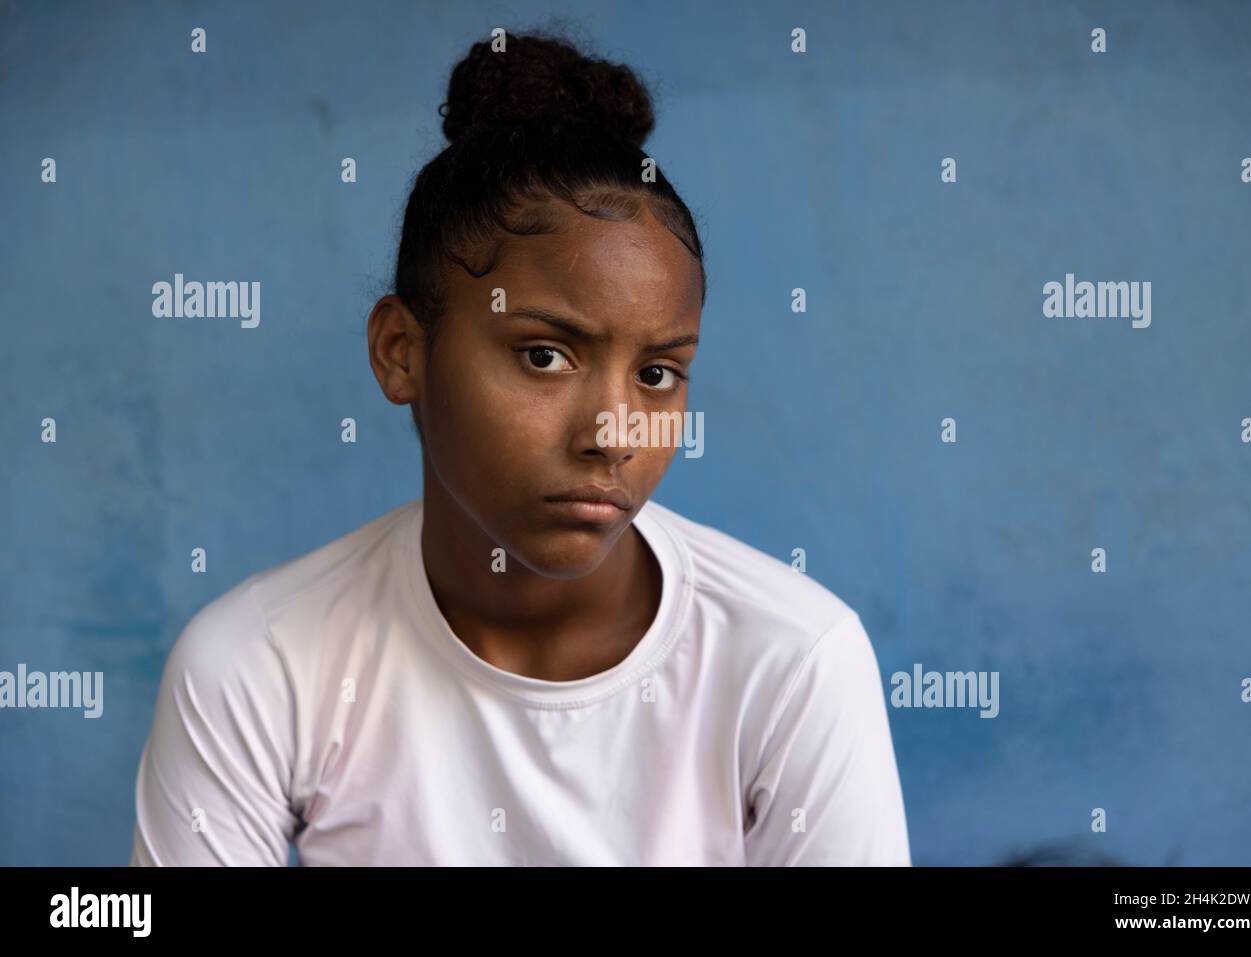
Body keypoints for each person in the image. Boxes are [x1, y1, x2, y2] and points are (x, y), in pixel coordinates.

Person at [129, 30, 910, 866]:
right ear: (402, 350)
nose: (613, 434)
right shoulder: (259, 666)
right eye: (545, 355)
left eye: (657, 373)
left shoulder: (792, 660)